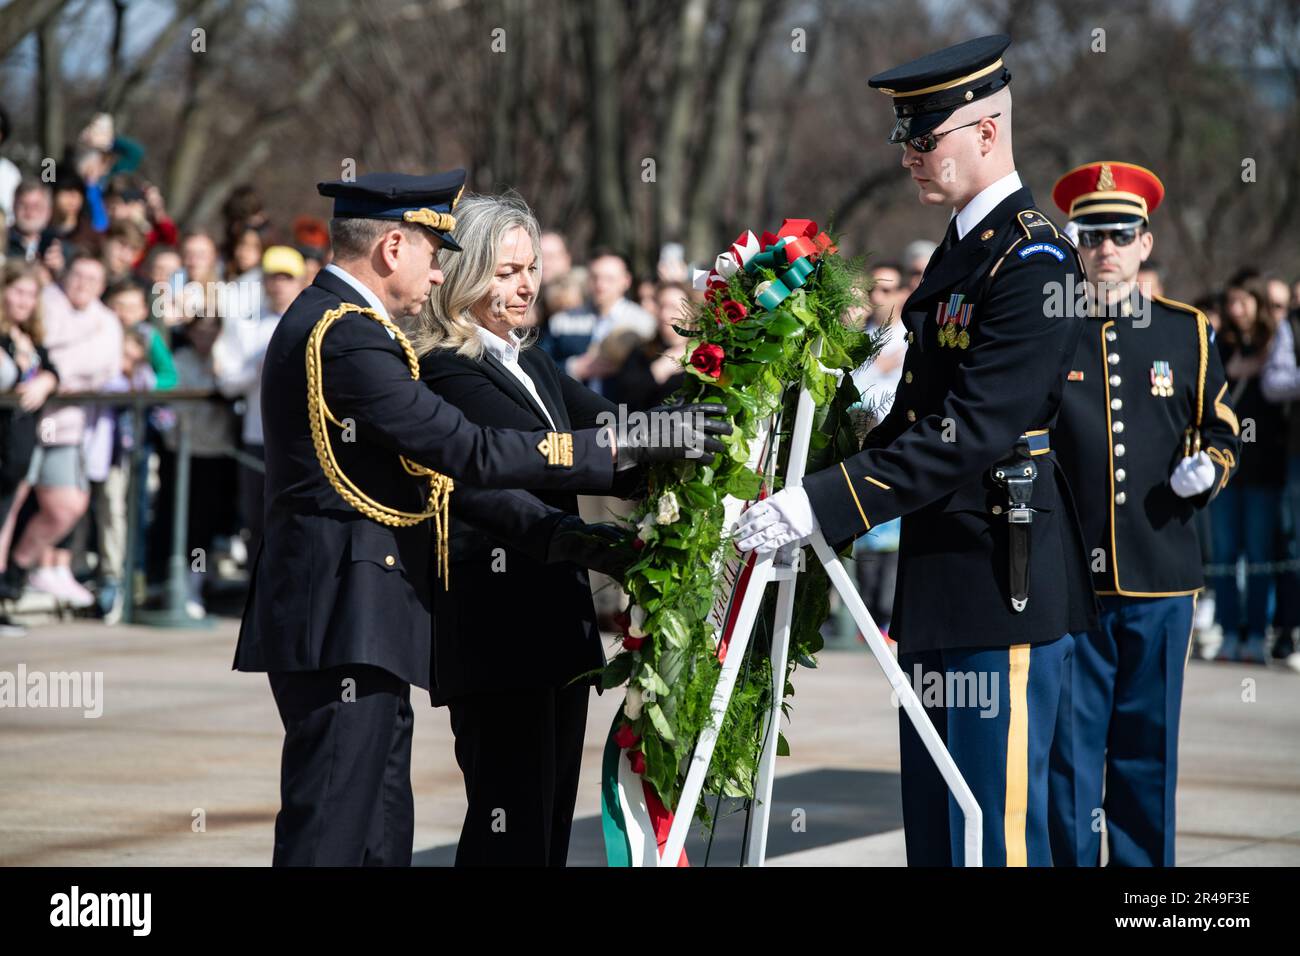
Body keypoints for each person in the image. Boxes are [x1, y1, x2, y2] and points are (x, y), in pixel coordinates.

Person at [234, 169, 729, 866]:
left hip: (369, 613)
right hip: (350, 609)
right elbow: (471, 455)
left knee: (377, 828)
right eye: (437, 255)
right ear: (393, 247)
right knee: (338, 832)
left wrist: (703, 408)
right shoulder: (349, 335)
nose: (438, 275)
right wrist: (624, 453)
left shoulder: (363, 330)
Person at [735, 35, 1095, 867]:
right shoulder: (969, 247)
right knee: (938, 832)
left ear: (985, 131)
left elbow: (971, 429)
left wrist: (821, 504)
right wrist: (812, 492)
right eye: (904, 138)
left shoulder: (1034, 257)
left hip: (1000, 575)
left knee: (993, 833)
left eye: (923, 137)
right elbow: (915, 415)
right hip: (946, 577)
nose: (908, 157)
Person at [417, 193, 643, 866]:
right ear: (462, 276)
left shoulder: (532, 361)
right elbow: (553, 461)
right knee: (509, 831)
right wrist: (668, 445)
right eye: (506, 270)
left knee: (544, 833)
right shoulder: (446, 370)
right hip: (498, 632)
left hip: (556, 627)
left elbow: (617, 431)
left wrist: (703, 421)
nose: (525, 284)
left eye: (532, 267)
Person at [1045, 161, 1240, 867]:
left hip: (1161, 574)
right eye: (1093, 235)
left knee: (1147, 752)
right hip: (1073, 581)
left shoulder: (1184, 332)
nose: (1107, 250)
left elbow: (1220, 430)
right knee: (1070, 756)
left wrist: (1207, 472)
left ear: (1145, 243)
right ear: (1077, 244)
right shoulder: (1049, 331)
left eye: (1121, 235)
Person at [9, 254, 122, 607]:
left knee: (68, 506)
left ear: (102, 286)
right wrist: (59, 371)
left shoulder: (106, 320)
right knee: (9, 504)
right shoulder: (44, 304)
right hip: (22, 422)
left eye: (93, 278)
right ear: (66, 275)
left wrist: (57, 372)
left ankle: (17, 569)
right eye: (78, 274)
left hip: (68, 427)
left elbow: (104, 364)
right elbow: (43, 354)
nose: (83, 283)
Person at [1210, 273, 1284, 663]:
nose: (1238, 310)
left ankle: (1257, 632)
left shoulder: (1277, 341)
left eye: (1245, 302)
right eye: (1232, 302)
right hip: (1225, 467)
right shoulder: (1218, 344)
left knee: (1258, 554)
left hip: (1265, 466)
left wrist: (1261, 365)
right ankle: (1226, 630)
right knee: (1224, 553)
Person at [0, 261, 60, 633]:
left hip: (20, 445)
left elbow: (54, 369)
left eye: (30, 294)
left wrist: (45, 382)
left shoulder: (30, 337)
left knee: (5, 522)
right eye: (16, 291)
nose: (23, 300)